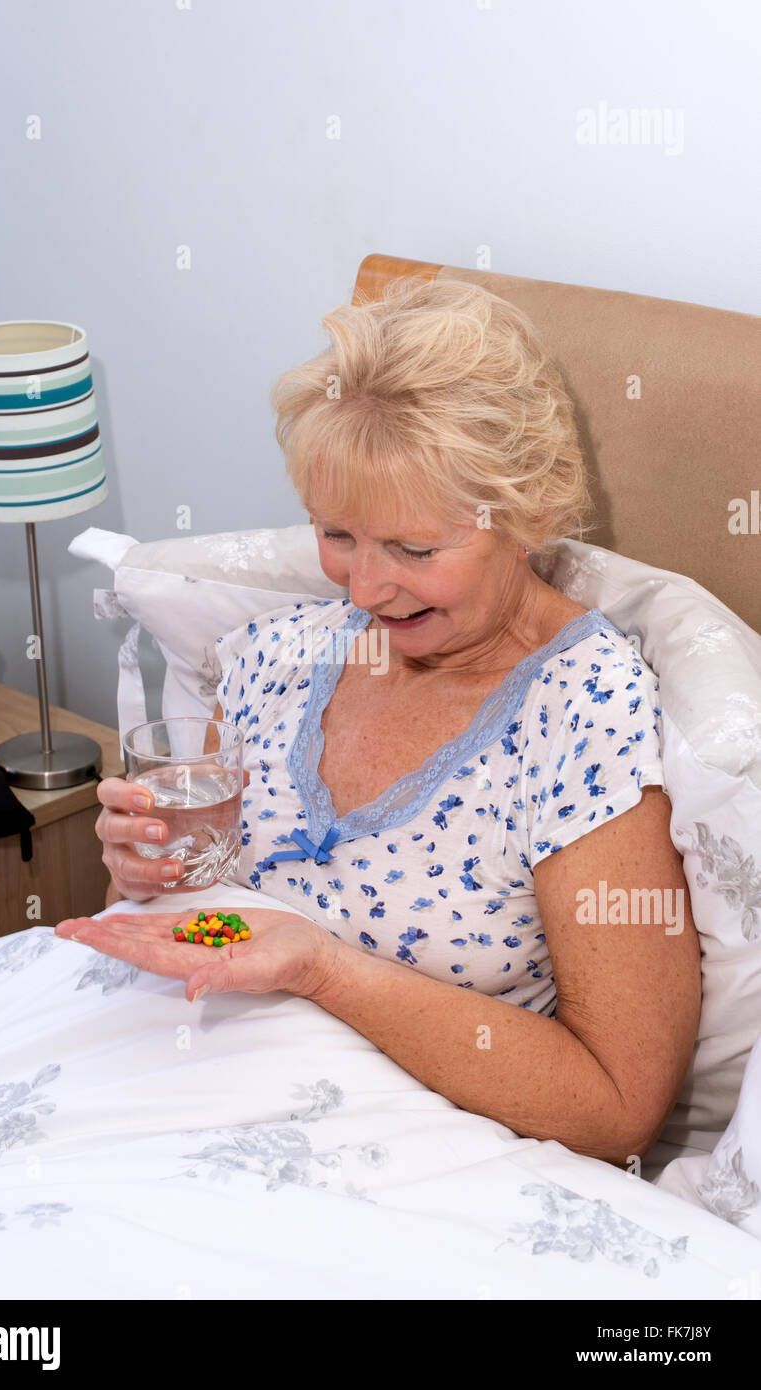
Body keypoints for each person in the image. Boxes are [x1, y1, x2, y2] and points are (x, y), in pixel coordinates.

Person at [59, 276, 701, 1167]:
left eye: (413, 550)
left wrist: (320, 965)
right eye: (338, 535)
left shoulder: (582, 714)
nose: (364, 591)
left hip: (407, 1162)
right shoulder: (276, 658)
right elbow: (202, 923)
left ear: (525, 518)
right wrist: (150, 882)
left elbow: (616, 1106)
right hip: (187, 1094)